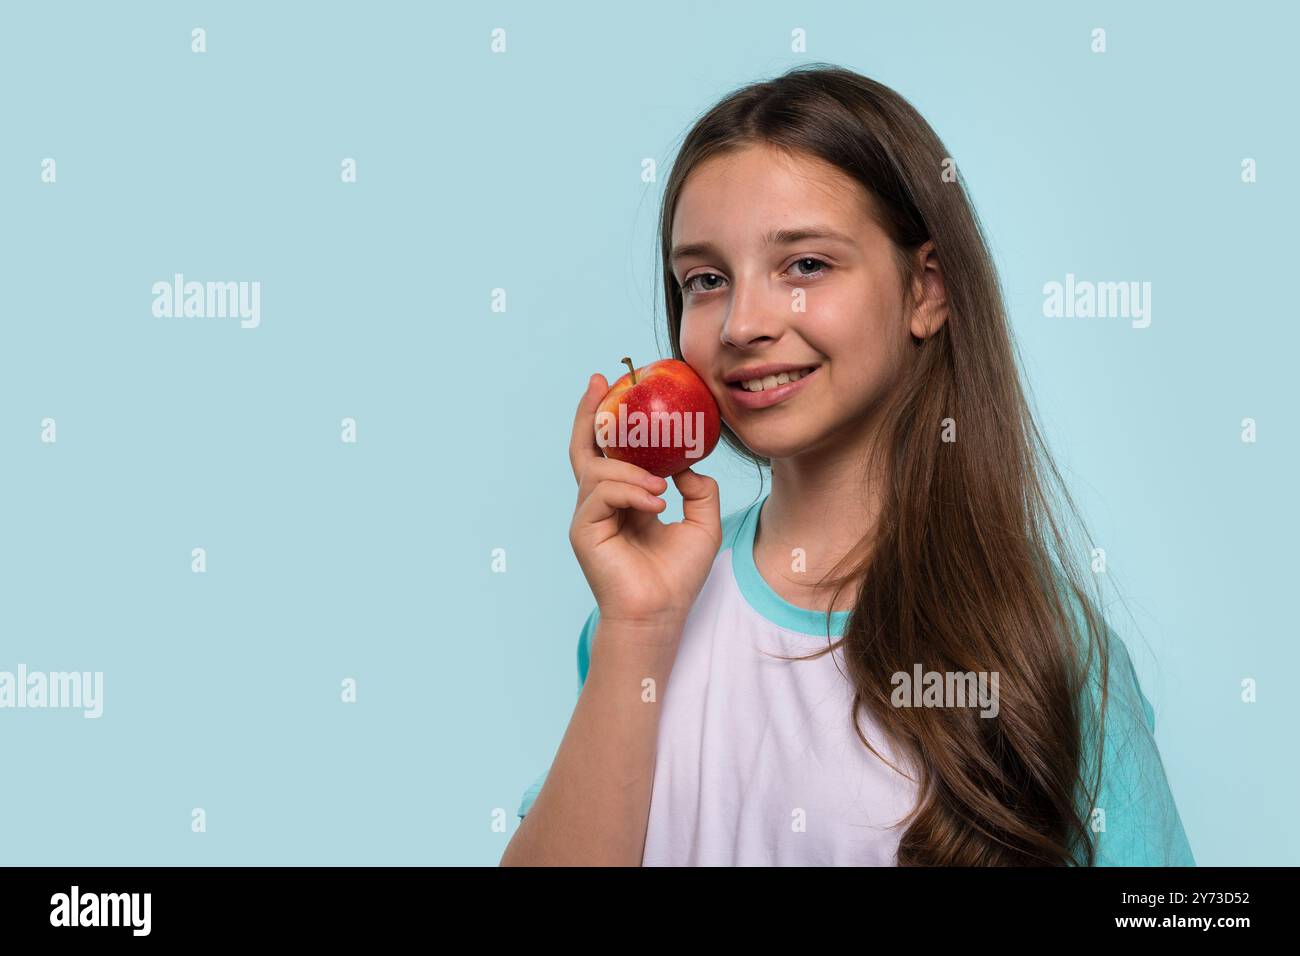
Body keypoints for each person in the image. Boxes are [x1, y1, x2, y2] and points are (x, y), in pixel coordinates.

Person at [500, 63, 1195, 867]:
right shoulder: (645, 613)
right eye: (706, 279)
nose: (743, 323)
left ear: (926, 290)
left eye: (805, 266)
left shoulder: (1039, 643)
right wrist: (636, 626)